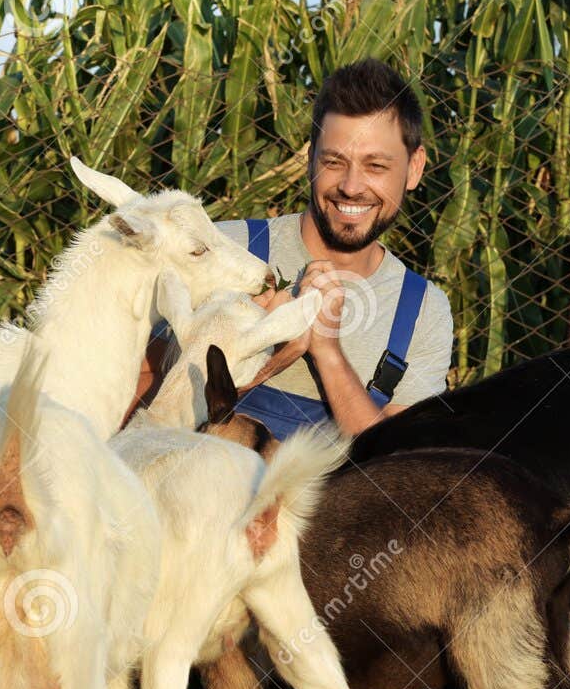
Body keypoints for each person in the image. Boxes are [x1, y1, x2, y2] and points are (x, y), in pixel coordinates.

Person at [135, 57, 454, 436]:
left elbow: (400, 470)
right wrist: (261, 354)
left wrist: (327, 353)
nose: (352, 186)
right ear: (310, 159)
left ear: (414, 168)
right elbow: (135, 395)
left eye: (376, 167)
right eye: (335, 162)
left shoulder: (422, 311)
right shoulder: (221, 250)